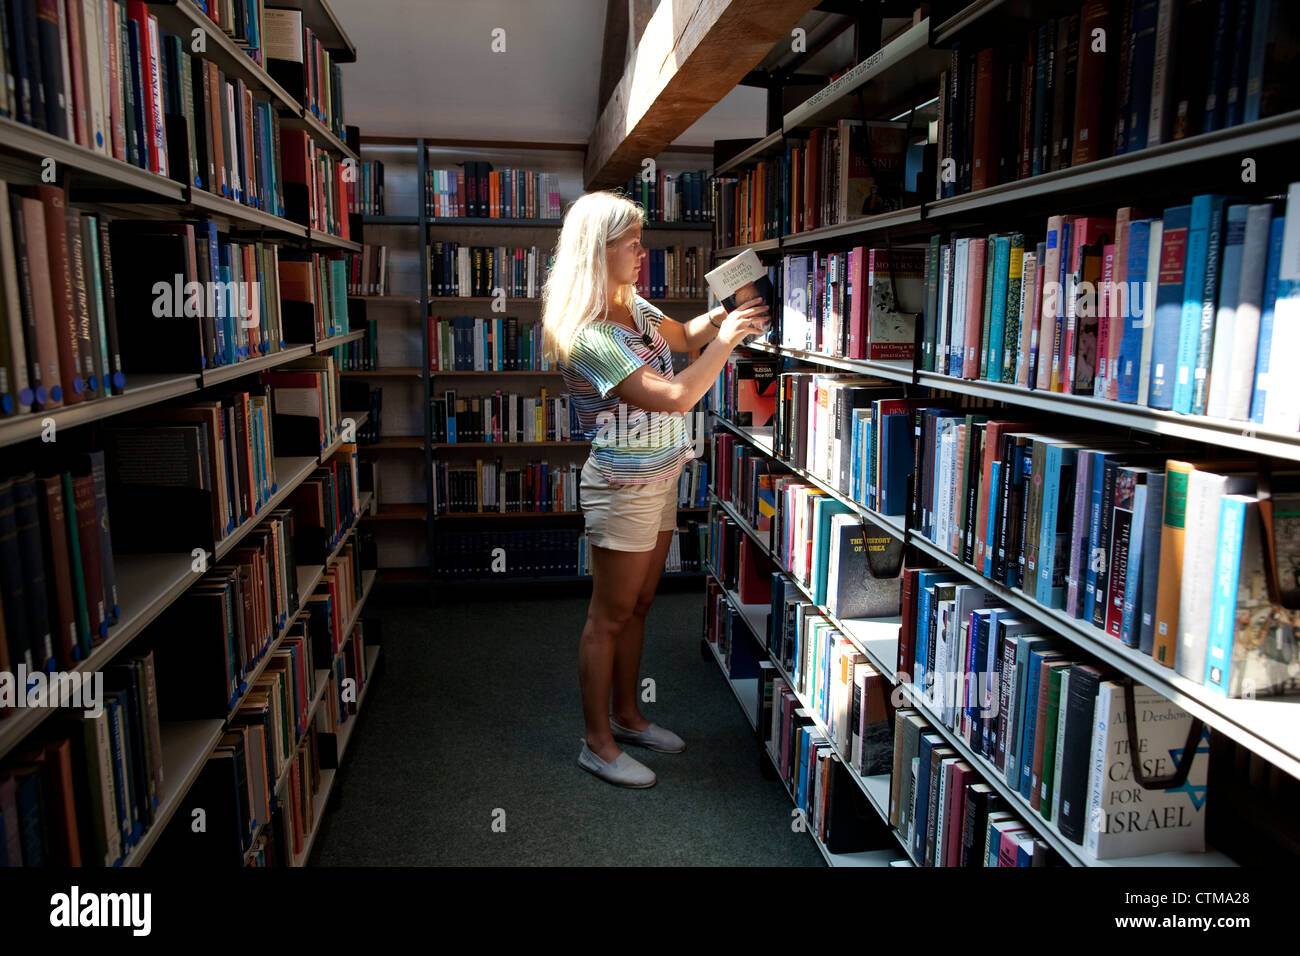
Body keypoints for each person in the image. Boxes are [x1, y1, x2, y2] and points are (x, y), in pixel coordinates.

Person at [540, 190, 770, 788]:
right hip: (622, 487)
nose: (643, 252)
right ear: (599, 250)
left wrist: (722, 317)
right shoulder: (588, 332)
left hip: (661, 475)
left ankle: (629, 716)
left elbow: (684, 338)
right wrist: (729, 342)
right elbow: (674, 394)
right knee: (609, 615)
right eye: (631, 243)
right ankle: (597, 743)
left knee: (639, 606)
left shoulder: (631, 304)